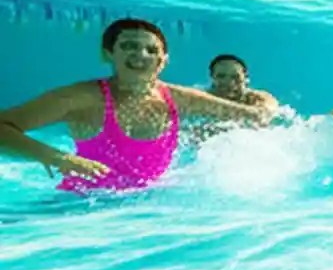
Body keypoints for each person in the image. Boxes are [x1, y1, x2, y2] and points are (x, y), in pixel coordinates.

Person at [0, 18, 278, 192]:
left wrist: (266, 101)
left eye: (151, 50)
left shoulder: (177, 97)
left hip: (146, 208)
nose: (141, 55)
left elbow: (253, 116)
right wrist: (57, 157)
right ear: (108, 53)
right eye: (129, 46)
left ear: (163, 61)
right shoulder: (84, 98)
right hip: (82, 206)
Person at [208, 54, 276, 107]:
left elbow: (267, 110)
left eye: (236, 77)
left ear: (246, 79)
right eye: (221, 76)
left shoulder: (258, 98)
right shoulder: (205, 97)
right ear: (212, 78)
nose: (229, 83)